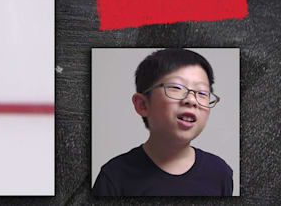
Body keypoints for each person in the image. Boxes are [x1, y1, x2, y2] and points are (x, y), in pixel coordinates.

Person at [92, 49, 233, 196]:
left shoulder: (220, 173)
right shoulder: (114, 177)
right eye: (176, 87)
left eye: (202, 93)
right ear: (143, 105)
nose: (191, 100)